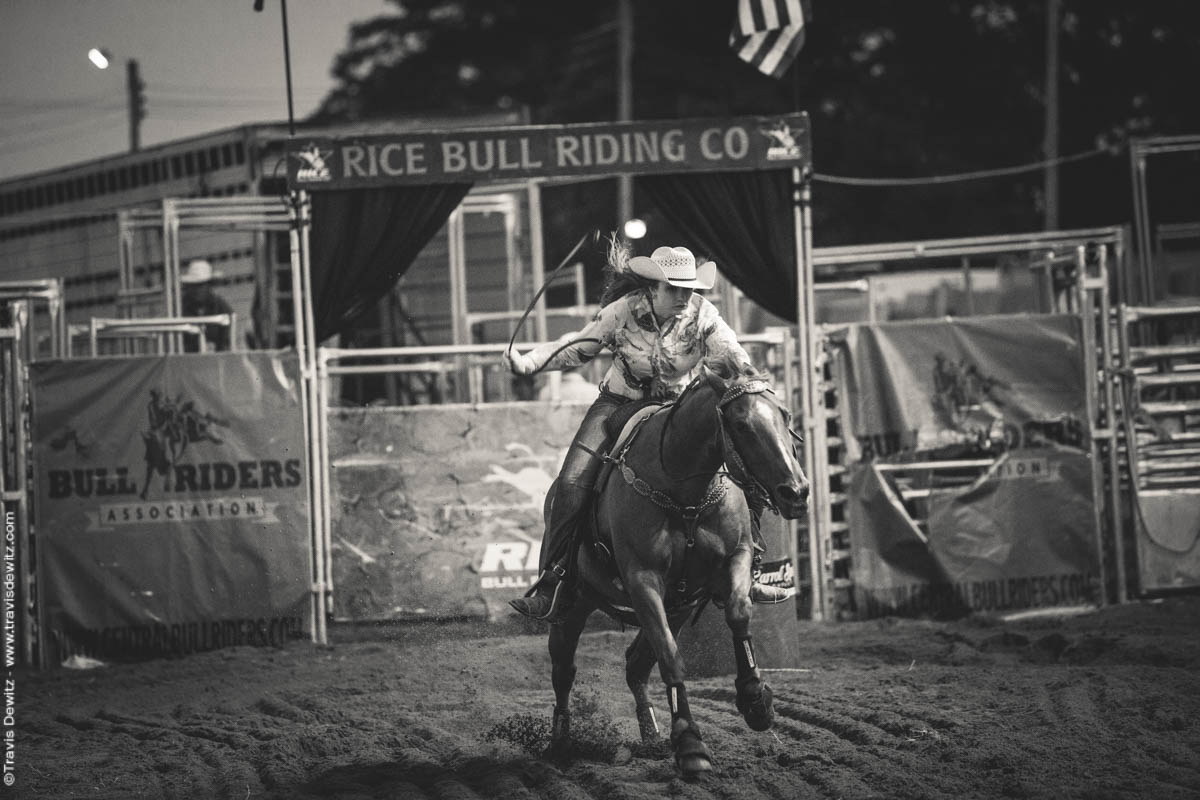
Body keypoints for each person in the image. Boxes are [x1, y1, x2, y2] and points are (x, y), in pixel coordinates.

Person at [502, 239, 793, 621]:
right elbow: (578, 346)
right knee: (572, 481)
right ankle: (553, 581)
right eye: (674, 289)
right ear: (653, 288)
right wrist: (528, 363)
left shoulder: (703, 315)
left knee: (745, 468)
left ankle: (748, 571)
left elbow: (730, 351)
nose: (683, 297)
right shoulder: (622, 311)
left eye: (688, 288)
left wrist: (747, 375)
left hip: (679, 410)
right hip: (618, 404)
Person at [180, 259, 234, 352]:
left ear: (209, 285)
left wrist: (217, 350)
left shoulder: (220, 306)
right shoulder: (181, 307)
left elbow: (226, 341)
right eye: (194, 285)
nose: (197, 290)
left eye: (201, 285)